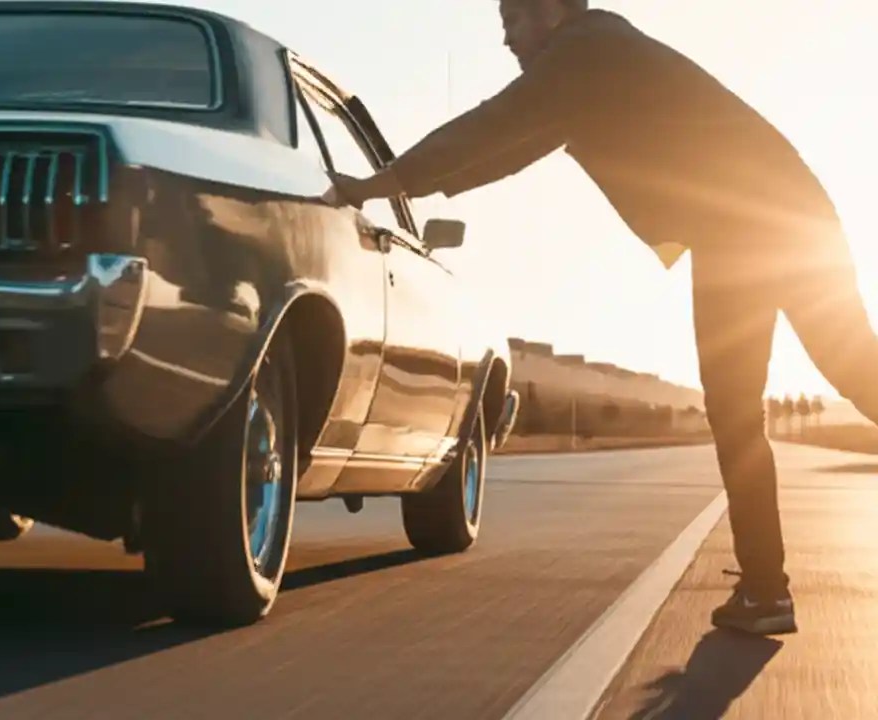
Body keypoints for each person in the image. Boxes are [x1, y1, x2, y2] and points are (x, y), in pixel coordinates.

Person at [326, 0, 878, 636]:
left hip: (748, 229)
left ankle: (765, 589)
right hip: (778, 217)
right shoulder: (588, 65)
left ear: (554, 11)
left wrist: (375, 185)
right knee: (841, 369)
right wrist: (400, 186)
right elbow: (499, 153)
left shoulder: (586, 51)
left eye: (513, 20)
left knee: (755, 401)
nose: (505, 38)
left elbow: (486, 128)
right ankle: (764, 589)